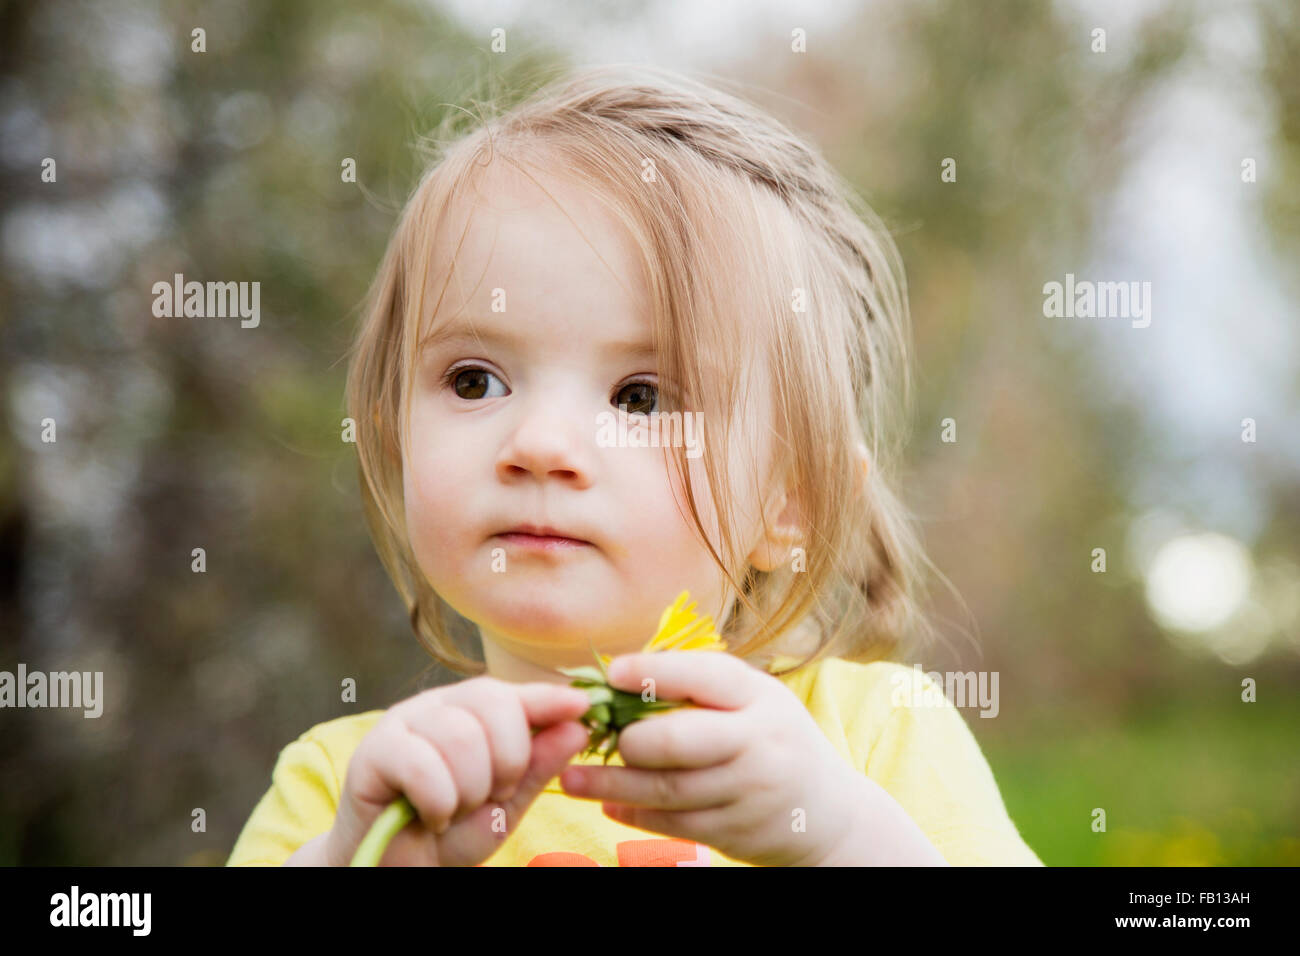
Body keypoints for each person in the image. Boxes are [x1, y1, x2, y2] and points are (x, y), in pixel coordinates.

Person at [227, 63, 1042, 867]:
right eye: (474, 380)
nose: (540, 444)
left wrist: (839, 836)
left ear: (791, 496)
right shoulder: (347, 788)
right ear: (392, 435)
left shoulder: (871, 740)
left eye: (642, 398)